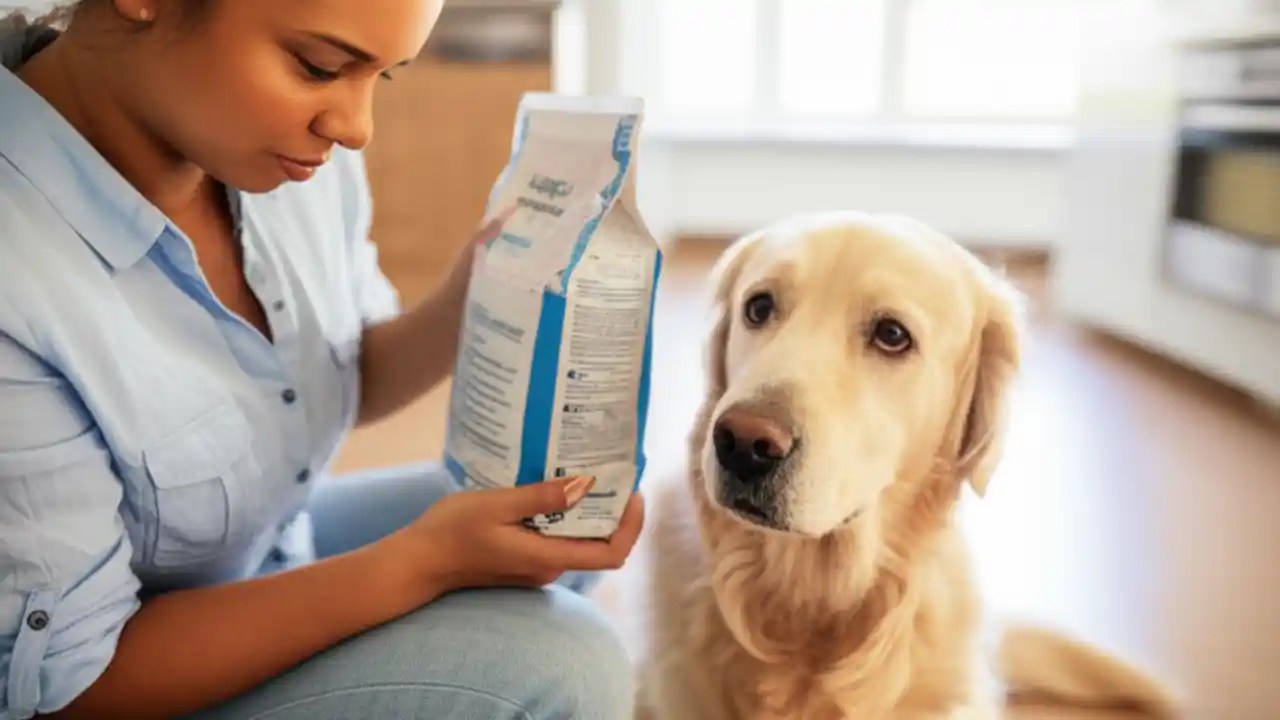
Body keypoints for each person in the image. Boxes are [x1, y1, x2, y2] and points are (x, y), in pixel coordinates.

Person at [0, 1, 646, 718]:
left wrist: (481, 287)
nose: (356, 126)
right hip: (123, 679)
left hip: (264, 549)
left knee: (556, 516)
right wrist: (423, 562)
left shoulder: (281, 156)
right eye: (320, 67)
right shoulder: (16, 273)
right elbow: (74, 688)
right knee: (568, 665)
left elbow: (338, 373)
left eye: (382, 77)